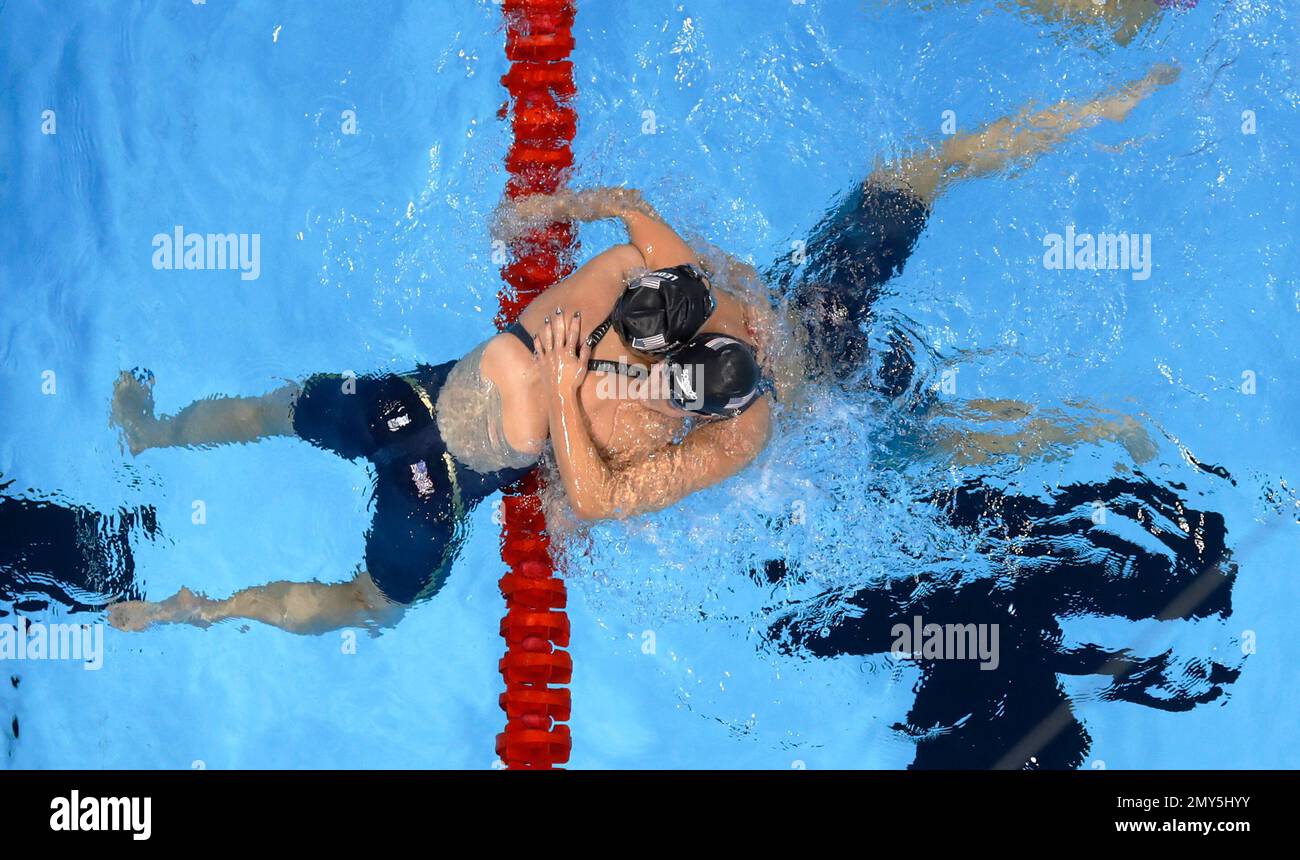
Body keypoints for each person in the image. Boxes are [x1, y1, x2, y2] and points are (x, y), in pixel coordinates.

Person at [107, 63, 1176, 634]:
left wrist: (570, 386)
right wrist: (551, 209)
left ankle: (1089, 421)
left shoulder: (747, 426)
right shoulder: (688, 291)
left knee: (931, 439)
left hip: (814, 365)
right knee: (917, 173)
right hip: (797, 306)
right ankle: (1096, 108)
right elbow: (628, 221)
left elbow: (607, 494)